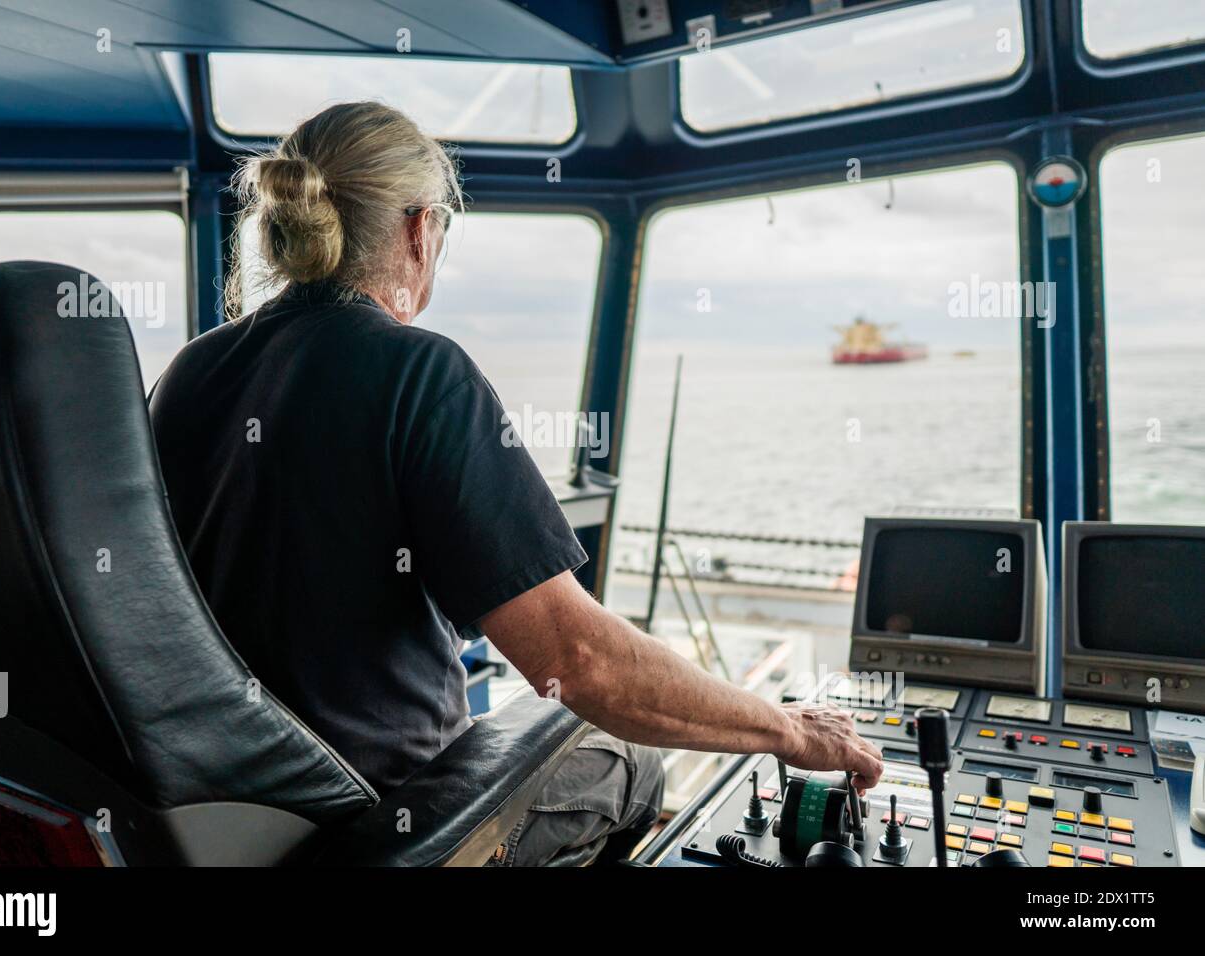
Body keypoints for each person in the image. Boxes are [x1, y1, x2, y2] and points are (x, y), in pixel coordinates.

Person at [148, 101, 883, 867]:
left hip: (225, 825)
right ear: (417, 230)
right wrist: (791, 729)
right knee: (631, 766)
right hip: (386, 827)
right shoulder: (420, 372)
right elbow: (580, 661)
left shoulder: (188, 372)